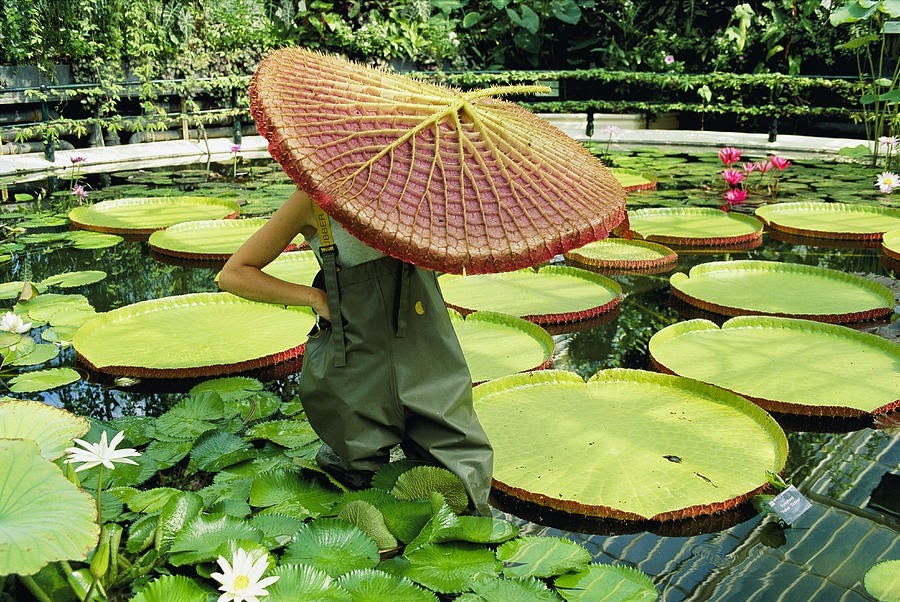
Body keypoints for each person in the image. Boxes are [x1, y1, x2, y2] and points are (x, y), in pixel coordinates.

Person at [218, 188, 494, 515]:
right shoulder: (312, 200)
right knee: (356, 484)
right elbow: (233, 274)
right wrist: (315, 298)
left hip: (427, 349)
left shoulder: (422, 187)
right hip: (354, 357)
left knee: (465, 486)